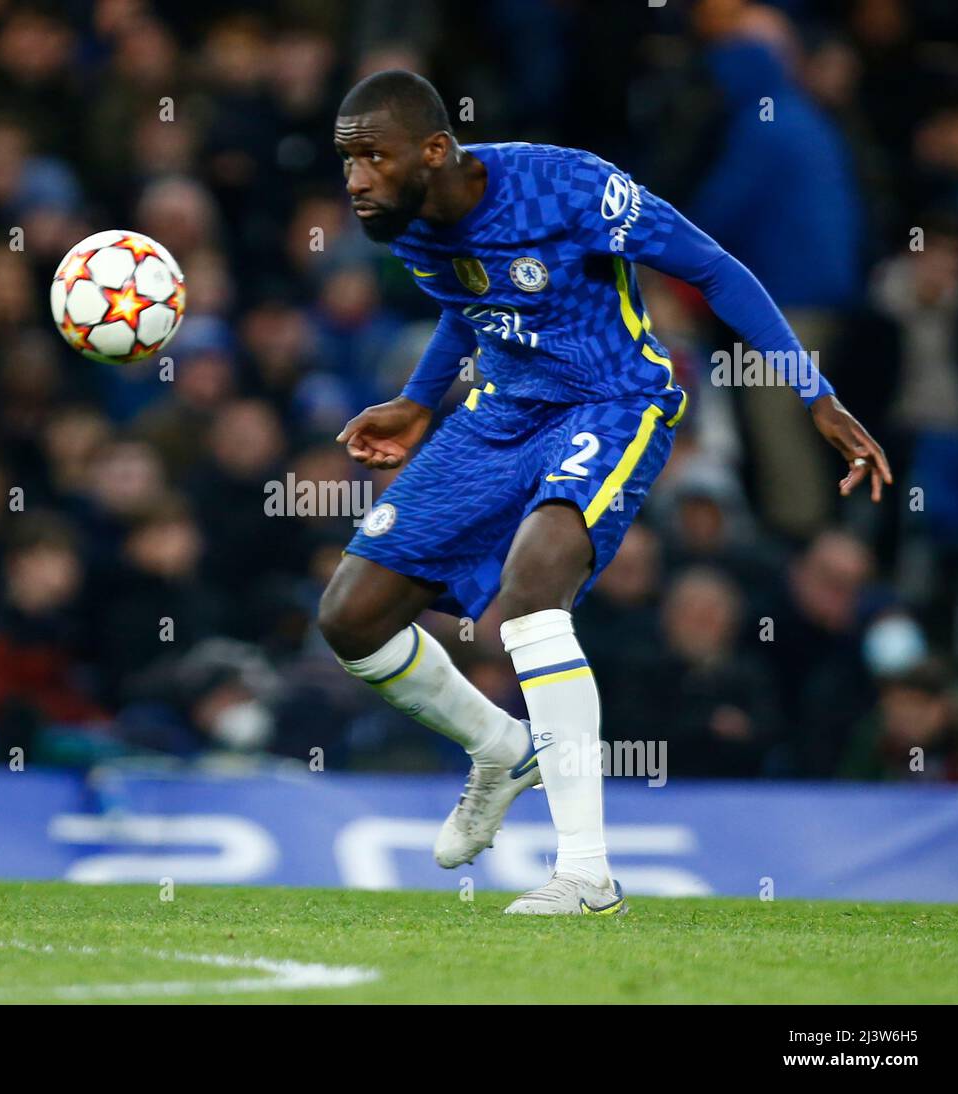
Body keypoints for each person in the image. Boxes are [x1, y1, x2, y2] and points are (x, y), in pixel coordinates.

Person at [317, 70, 891, 916]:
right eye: (347, 160)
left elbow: (716, 268)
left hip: (613, 401)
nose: (356, 179)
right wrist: (416, 399)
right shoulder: (398, 220)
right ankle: (500, 749)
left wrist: (814, 392)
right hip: (499, 412)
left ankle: (586, 874)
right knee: (349, 616)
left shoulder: (569, 186)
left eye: (372, 156)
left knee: (532, 595)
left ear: (436, 151)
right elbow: (466, 298)